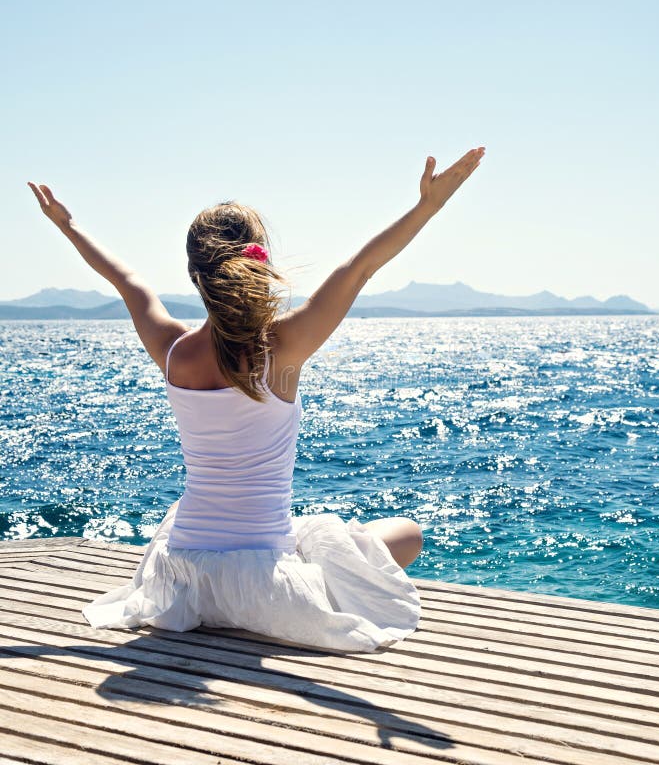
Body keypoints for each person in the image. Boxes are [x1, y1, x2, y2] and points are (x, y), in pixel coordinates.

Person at [27, 146, 485, 652]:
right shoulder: (282, 348)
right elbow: (360, 269)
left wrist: (68, 227)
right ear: (256, 264)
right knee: (406, 533)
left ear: (193, 274)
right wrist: (427, 207)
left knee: (305, 531)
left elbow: (126, 280)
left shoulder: (174, 352)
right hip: (264, 588)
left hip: (182, 576)